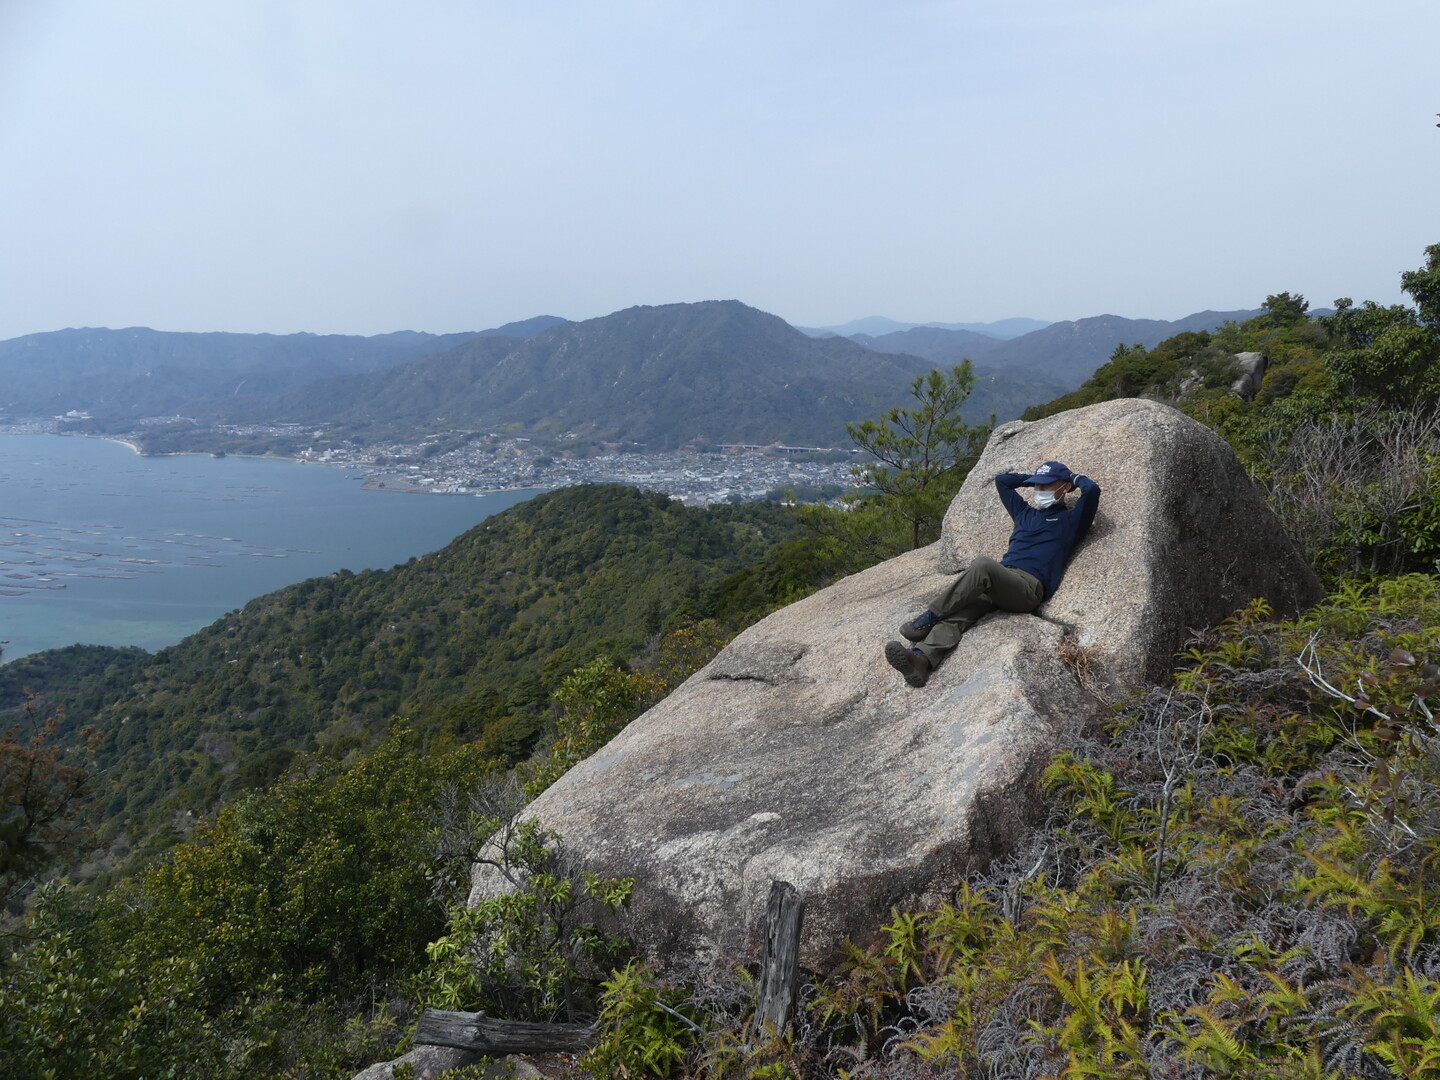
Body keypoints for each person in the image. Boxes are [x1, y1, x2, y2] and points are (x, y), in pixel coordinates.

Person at [885, 461, 1101, 687]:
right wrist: (1033, 478)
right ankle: (921, 659)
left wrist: (1072, 478)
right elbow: (1003, 482)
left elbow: (1092, 489)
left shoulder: (1071, 521)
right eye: (1037, 486)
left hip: (1028, 589)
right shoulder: (1024, 513)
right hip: (1001, 582)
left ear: (1064, 488)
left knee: (983, 565)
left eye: (1046, 486)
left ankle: (928, 618)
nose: (1039, 490)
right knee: (961, 609)